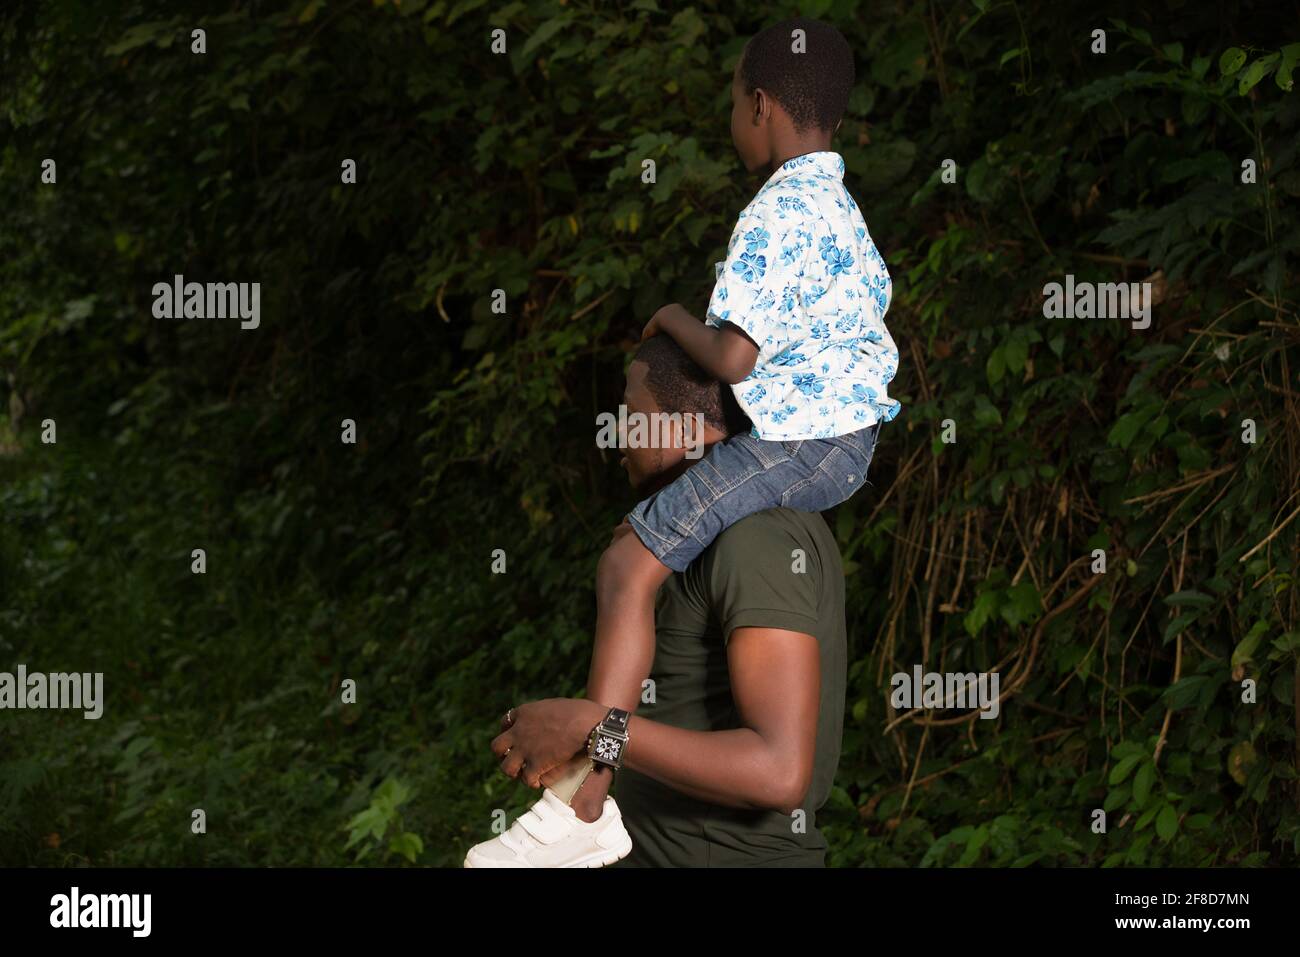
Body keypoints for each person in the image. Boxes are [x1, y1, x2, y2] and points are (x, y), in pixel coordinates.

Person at [465, 15, 896, 866]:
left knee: (628, 561)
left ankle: (580, 803)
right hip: (845, 435)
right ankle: (586, 803)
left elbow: (734, 355)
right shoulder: (841, 209)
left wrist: (670, 318)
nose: (616, 431)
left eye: (632, 407)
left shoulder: (775, 211)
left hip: (806, 435)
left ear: (761, 105)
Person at [465, 335, 861, 866]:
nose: (615, 433)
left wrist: (595, 728)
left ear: (689, 427)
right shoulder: (677, 541)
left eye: (630, 412)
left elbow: (778, 772)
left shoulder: (757, 536)